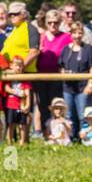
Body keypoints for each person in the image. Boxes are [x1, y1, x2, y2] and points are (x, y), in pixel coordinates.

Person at [32, 8, 70, 136]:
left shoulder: (66, 37)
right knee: (43, 107)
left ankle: (59, 134)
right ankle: (45, 134)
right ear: (46, 23)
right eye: (50, 22)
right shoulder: (40, 37)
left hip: (56, 77)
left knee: (57, 106)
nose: (53, 25)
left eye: (56, 22)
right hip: (40, 76)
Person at [59, 21, 92, 142]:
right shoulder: (65, 49)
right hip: (68, 87)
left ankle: (85, 138)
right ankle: (71, 138)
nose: (77, 35)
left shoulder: (88, 49)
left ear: (83, 34)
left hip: (83, 86)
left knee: (83, 115)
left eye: (79, 33)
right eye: (74, 33)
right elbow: (60, 65)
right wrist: (63, 74)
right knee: (69, 115)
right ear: (71, 34)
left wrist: (90, 83)